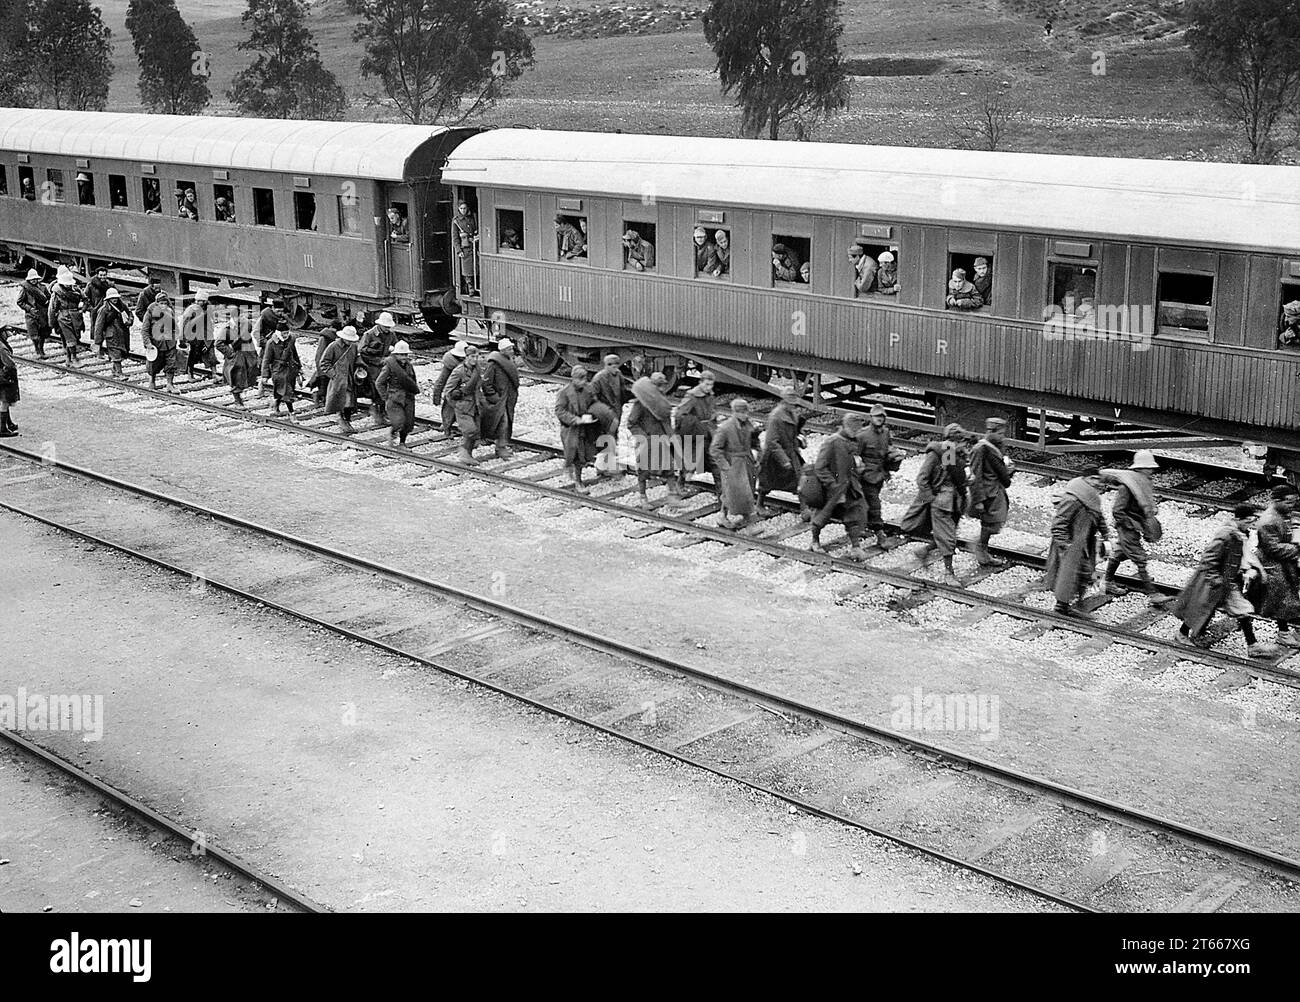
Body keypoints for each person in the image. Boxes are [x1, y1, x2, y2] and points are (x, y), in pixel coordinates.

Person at [1172, 505, 1276, 658]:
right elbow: (1208, 558)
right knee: (1202, 608)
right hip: (1215, 581)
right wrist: (1215, 579)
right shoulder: (1226, 535)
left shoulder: (1240, 533)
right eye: (1248, 521)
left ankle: (1252, 645)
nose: (1250, 525)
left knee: (1237, 609)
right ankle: (1182, 634)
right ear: (1238, 519)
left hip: (1227, 580)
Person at [900, 423, 970, 586]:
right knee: (947, 536)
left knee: (947, 534)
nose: (963, 445)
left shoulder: (950, 452)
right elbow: (923, 478)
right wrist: (930, 498)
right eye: (960, 441)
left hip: (953, 501)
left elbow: (954, 475)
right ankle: (948, 574)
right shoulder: (942, 452)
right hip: (942, 502)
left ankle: (924, 551)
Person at [1099, 450, 1169, 606]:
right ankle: (1153, 594)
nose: (1151, 470)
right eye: (1148, 467)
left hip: (1134, 526)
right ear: (1140, 468)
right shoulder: (1127, 487)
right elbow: (1117, 510)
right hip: (1127, 527)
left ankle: (1107, 581)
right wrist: (1131, 525)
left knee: (1119, 553)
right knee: (1140, 558)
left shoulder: (1141, 484)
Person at [1042, 468, 1111, 618]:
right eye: (1094, 478)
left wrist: (1106, 533)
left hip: (1084, 542)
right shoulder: (1072, 499)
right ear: (1085, 478)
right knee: (1072, 575)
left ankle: (1073, 602)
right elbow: (1059, 524)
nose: (1097, 482)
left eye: (1098, 479)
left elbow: (1098, 515)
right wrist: (1064, 545)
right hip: (1073, 544)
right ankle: (1062, 607)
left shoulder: (1090, 496)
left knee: (1086, 572)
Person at [803, 413, 871, 560]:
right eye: (852, 429)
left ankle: (855, 547)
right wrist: (832, 485)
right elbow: (820, 467)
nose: (855, 432)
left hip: (849, 487)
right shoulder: (832, 442)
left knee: (853, 514)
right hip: (832, 490)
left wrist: (858, 468)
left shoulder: (852, 441)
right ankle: (815, 541)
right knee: (821, 516)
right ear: (844, 426)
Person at [1252, 485, 1300, 649]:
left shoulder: (1281, 513)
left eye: (1294, 502)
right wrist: (1296, 549)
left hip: (1282, 561)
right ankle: (1283, 634)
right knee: (1282, 597)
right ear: (1277, 500)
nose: (1292, 506)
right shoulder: (1268, 521)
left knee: (1287, 595)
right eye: (1289, 502)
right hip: (1271, 564)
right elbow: (1272, 548)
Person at [967, 417, 1016, 567]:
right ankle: (981, 549)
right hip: (987, 493)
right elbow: (975, 476)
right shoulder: (980, 449)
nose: (1003, 437)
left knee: (994, 523)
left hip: (996, 491)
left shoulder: (996, 446)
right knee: (990, 523)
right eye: (1000, 433)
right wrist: (978, 500)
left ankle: (981, 548)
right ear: (990, 431)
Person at [628, 372, 678, 507]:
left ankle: (672, 498)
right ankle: (643, 498)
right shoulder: (641, 404)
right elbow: (631, 423)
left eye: (663, 386)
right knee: (644, 471)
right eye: (659, 386)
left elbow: (666, 422)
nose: (662, 389)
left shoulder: (661, 401)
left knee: (669, 469)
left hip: (662, 439)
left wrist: (671, 437)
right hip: (647, 441)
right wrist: (643, 438)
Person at [856, 403, 902, 548]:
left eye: (882, 416)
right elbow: (855, 455)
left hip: (880, 475)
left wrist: (894, 456)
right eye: (876, 416)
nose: (879, 419)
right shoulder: (862, 435)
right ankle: (880, 534)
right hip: (866, 476)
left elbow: (888, 448)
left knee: (866, 504)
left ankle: (861, 526)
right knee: (875, 504)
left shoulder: (885, 433)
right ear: (871, 418)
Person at [711, 399, 761, 528]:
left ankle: (744, 517)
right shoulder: (725, 428)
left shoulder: (748, 426)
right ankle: (727, 516)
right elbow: (715, 449)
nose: (745, 415)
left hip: (746, 462)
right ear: (735, 412)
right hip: (732, 464)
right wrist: (725, 466)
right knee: (731, 492)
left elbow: (754, 442)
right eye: (742, 412)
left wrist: (757, 455)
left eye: (746, 412)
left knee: (748, 491)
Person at [757, 388, 807, 515]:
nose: (794, 406)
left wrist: (800, 439)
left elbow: (794, 432)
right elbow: (771, 441)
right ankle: (759, 505)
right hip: (775, 456)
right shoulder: (775, 417)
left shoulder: (792, 414)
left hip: (790, 452)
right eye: (791, 403)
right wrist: (784, 460)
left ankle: (804, 509)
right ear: (784, 402)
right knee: (766, 483)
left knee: (800, 479)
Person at [555, 364, 601, 492]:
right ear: (573, 379)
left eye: (584, 379)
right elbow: (559, 410)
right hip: (571, 429)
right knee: (574, 454)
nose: (583, 382)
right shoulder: (564, 393)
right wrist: (575, 420)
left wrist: (594, 414)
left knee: (586, 453)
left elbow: (594, 403)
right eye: (580, 379)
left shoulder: (588, 390)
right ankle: (578, 482)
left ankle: (575, 470)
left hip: (586, 428)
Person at [674, 369, 716, 492]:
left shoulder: (710, 396)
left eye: (711, 385)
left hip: (707, 432)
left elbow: (711, 412)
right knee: (690, 460)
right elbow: (680, 413)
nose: (709, 387)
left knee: (713, 460)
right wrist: (681, 431)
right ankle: (680, 484)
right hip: (693, 434)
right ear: (700, 382)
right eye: (706, 384)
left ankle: (721, 493)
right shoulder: (692, 396)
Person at [479, 337, 520, 460]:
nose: (512, 350)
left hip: (507, 399)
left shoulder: (508, 361)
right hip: (500, 400)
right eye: (509, 349)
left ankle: (502, 445)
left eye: (512, 348)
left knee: (506, 423)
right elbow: (486, 383)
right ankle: (500, 447)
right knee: (503, 423)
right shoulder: (494, 364)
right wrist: (494, 397)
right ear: (502, 351)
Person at [376, 340, 420, 447]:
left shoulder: (409, 366)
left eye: (405, 354)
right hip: (394, 397)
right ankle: (392, 433)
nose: (404, 357)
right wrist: (385, 396)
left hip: (408, 397)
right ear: (396, 355)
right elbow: (379, 382)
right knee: (398, 421)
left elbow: (412, 379)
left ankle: (402, 443)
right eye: (401, 355)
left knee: (408, 423)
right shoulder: (389, 366)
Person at [589, 353, 627, 475]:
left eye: (616, 364)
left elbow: (623, 392)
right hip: (604, 415)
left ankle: (606, 465)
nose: (614, 367)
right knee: (606, 438)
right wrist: (602, 412)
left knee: (613, 437)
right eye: (611, 365)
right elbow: (592, 397)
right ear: (606, 365)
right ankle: (602, 466)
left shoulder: (619, 375)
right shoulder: (599, 378)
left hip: (616, 412)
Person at [445, 344, 484, 464]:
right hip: (463, 407)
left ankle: (468, 455)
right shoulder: (459, 371)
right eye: (472, 356)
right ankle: (464, 453)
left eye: (477, 356)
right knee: (470, 430)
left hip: (476, 405)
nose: (475, 359)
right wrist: (457, 405)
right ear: (466, 357)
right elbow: (448, 391)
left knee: (476, 432)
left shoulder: (477, 369)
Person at [319, 325, 361, 432]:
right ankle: (342, 419)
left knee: (349, 402)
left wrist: (360, 368)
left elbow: (357, 359)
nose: (350, 342)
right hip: (338, 379)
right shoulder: (333, 346)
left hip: (349, 378)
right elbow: (324, 362)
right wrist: (333, 374)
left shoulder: (353, 347)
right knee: (341, 401)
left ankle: (347, 420)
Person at [358, 311, 398, 421]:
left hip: (385, 365)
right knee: (376, 388)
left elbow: (396, 345)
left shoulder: (391, 334)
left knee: (387, 388)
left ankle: (383, 411)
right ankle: (377, 412)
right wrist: (376, 355)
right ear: (380, 325)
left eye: (389, 327)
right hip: (371, 365)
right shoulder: (369, 334)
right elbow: (361, 351)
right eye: (385, 326)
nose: (387, 329)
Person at [260, 324, 302, 419]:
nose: (286, 335)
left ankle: (276, 406)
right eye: (284, 333)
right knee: (287, 392)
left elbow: (295, 354)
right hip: (278, 371)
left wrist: (299, 367)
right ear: (278, 333)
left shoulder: (291, 340)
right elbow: (266, 359)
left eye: (287, 333)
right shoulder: (271, 343)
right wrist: (265, 375)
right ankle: (292, 413)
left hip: (291, 370)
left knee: (284, 389)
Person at [47, 267, 86, 367]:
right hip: (64, 317)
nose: (68, 285)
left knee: (75, 337)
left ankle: (68, 359)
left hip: (76, 316)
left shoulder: (76, 289)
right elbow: (52, 308)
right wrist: (51, 322)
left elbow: (85, 299)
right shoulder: (57, 292)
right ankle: (74, 358)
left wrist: (83, 309)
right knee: (70, 339)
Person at [141, 290, 178, 391]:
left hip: (169, 342)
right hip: (155, 343)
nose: (163, 305)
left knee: (171, 363)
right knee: (154, 364)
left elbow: (175, 326)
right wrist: (147, 343)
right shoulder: (149, 313)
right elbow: (145, 330)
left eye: (165, 303)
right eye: (161, 303)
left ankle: (170, 384)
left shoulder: (170, 312)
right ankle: (152, 380)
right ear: (157, 303)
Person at [92, 288, 133, 380]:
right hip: (112, 335)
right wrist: (97, 341)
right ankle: (119, 373)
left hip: (123, 333)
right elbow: (99, 326)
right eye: (112, 298)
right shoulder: (104, 310)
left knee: (122, 352)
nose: (114, 299)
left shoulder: (122, 306)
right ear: (108, 299)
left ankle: (114, 371)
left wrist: (130, 320)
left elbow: (130, 314)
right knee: (116, 354)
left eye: (116, 297)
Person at [431, 340, 468, 439]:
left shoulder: (464, 364)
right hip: (452, 392)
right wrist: (436, 396)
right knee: (449, 411)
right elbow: (441, 381)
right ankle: (447, 429)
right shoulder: (450, 366)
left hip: (463, 391)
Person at [181, 290, 218, 380]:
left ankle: (214, 374)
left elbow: (210, 323)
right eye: (197, 300)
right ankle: (190, 374)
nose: (197, 302)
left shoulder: (209, 309)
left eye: (200, 301)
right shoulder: (191, 309)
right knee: (193, 355)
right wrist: (183, 338)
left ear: (204, 301)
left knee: (211, 354)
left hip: (205, 334)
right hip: (194, 335)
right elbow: (185, 323)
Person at [17, 268, 52, 358]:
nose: (34, 281)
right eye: (32, 279)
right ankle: (37, 350)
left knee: (43, 334)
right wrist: (29, 308)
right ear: (29, 280)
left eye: (35, 279)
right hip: (31, 315)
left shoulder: (43, 287)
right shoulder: (25, 289)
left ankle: (41, 349)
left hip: (42, 314)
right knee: (34, 335)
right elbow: (20, 302)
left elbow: (49, 298)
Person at [453, 201, 478, 293]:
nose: (463, 210)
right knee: (467, 269)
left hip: (474, 245)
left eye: (465, 208)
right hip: (465, 248)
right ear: (458, 209)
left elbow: (475, 229)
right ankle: (470, 287)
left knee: (476, 266)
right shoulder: (456, 221)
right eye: (461, 208)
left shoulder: (472, 218)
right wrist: (459, 250)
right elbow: (455, 238)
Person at [0, 327, 19, 437]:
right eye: (7, 331)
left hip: (2, 374)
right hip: (3, 375)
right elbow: (9, 363)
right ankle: (2, 428)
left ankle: (8, 423)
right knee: (5, 400)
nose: (9, 333)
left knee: (4, 399)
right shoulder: (1, 347)